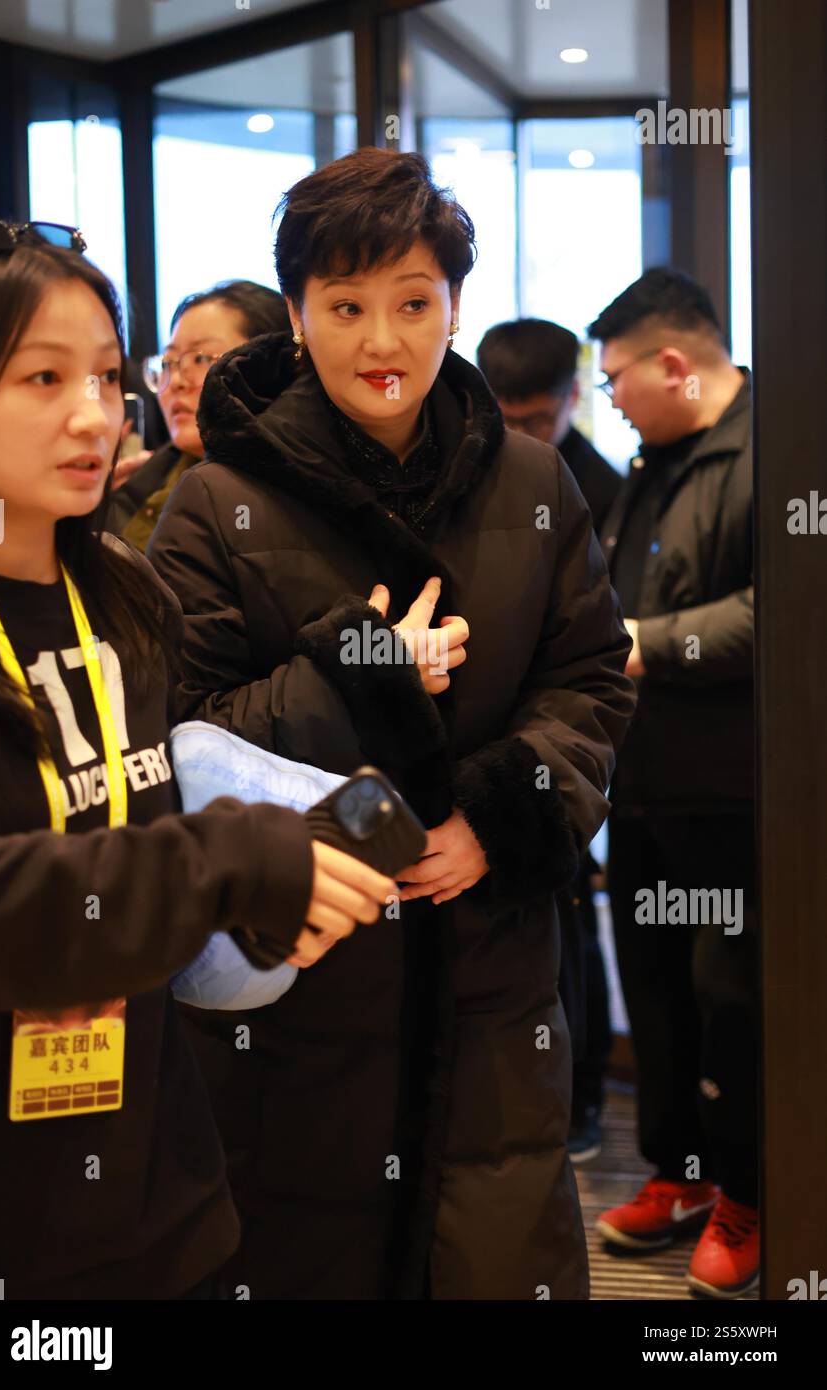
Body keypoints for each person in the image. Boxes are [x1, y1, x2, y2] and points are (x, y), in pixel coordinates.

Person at [148, 148, 636, 1300]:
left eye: (414, 303)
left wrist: (495, 815)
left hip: (489, 974)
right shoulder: (214, 501)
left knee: (491, 1249)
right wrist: (363, 671)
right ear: (300, 316)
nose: (383, 342)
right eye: (346, 306)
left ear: (452, 304)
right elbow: (178, 733)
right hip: (305, 975)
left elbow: (591, 682)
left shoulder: (531, 478)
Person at [0, 220, 394, 1299]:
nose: (93, 416)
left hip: (160, 1181)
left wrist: (268, 881)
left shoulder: (124, 593)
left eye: (108, 377)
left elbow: (142, 841)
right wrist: (229, 857)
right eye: (42, 377)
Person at [586, 268, 757, 1298]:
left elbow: (776, 610)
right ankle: (679, 1173)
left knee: (730, 1001)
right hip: (640, 780)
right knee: (652, 995)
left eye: (614, 379)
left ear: (671, 364)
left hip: (734, 789)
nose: (607, 397)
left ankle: (747, 1188)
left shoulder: (775, 448)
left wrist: (645, 642)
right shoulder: (649, 458)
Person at [478, 316, 622, 1162]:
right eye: (509, 415)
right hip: (498, 747)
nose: (525, 434)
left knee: (574, 925)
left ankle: (588, 1098)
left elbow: (601, 656)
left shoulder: (598, 484)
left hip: (571, 749)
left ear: (573, 398)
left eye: (539, 418)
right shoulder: (483, 476)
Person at [108, 280, 289, 549]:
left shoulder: (292, 499)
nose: (176, 381)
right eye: (168, 363)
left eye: (201, 359)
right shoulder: (135, 487)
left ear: (271, 364)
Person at [477, 317, 621, 531]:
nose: (519, 436)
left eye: (535, 422)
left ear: (573, 394)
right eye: (504, 420)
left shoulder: (601, 493)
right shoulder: (464, 465)